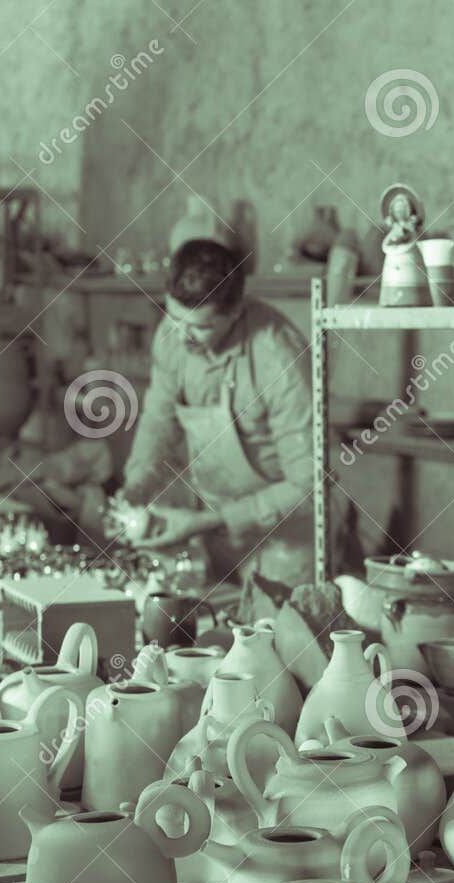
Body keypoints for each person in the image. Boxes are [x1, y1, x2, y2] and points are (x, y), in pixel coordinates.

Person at [121, 239, 316, 611]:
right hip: (211, 526)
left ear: (236, 311)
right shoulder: (173, 336)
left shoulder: (279, 356)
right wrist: (137, 484)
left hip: (284, 538)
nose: (181, 336)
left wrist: (205, 522)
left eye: (200, 326)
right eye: (173, 317)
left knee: (273, 650)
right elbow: (158, 422)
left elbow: (308, 487)